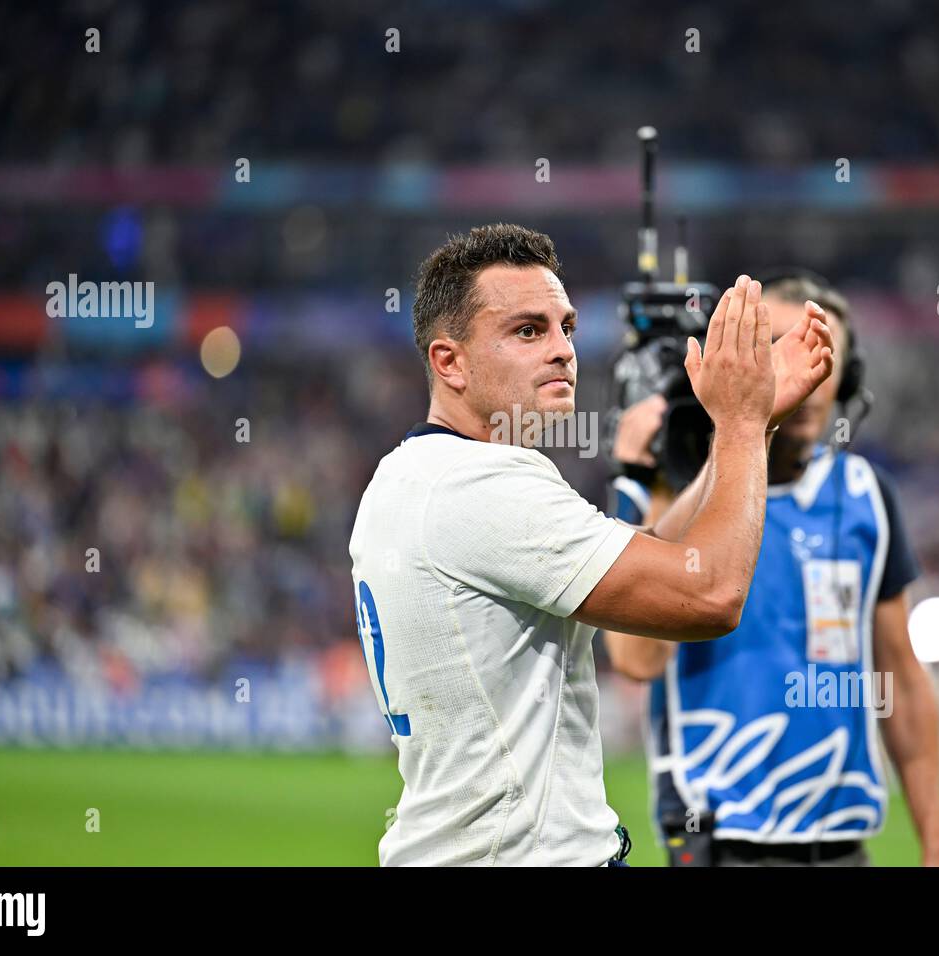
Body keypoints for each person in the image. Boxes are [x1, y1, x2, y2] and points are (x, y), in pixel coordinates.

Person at [347, 224, 834, 865]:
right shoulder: (485, 485)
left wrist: (753, 424)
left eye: (566, 327)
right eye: (527, 331)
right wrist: (741, 421)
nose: (561, 350)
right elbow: (710, 593)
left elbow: (658, 557)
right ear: (449, 361)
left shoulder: (409, 475)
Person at [605, 272, 939, 866]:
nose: (810, 374)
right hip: (723, 838)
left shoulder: (868, 497)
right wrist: (649, 480)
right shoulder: (690, 493)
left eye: (825, 352)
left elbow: (904, 678)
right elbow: (636, 661)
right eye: (787, 346)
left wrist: (936, 844)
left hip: (843, 844)